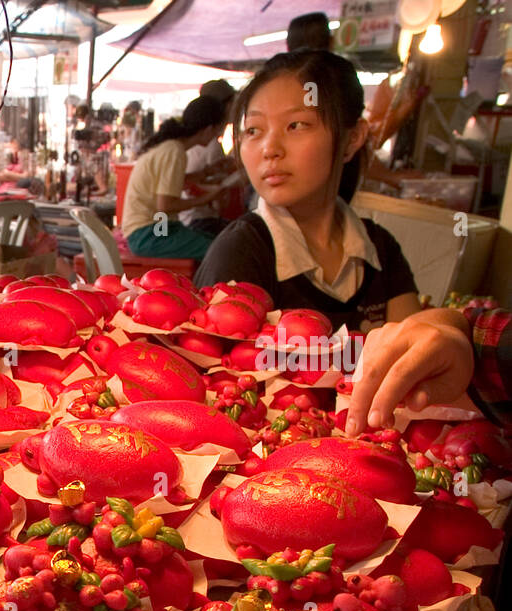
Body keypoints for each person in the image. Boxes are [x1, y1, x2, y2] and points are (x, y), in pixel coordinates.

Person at [191, 51, 473, 435]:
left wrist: (450, 328)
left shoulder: (379, 248)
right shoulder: (241, 252)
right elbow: (211, 402)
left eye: (296, 125)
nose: (270, 149)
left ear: (352, 138)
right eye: (253, 130)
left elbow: (411, 357)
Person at [120, 95, 227, 261]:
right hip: (150, 233)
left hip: (156, 228)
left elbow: (175, 183)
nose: (217, 136)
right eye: (218, 130)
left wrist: (208, 172)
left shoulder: (171, 147)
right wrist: (208, 197)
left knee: (218, 242)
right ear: (208, 129)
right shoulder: (175, 152)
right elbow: (165, 205)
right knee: (219, 251)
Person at [180, 80, 239, 237]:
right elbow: (218, 205)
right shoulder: (211, 145)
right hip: (199, 220)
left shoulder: (187, 144)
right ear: (227, 106)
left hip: (186, 219)